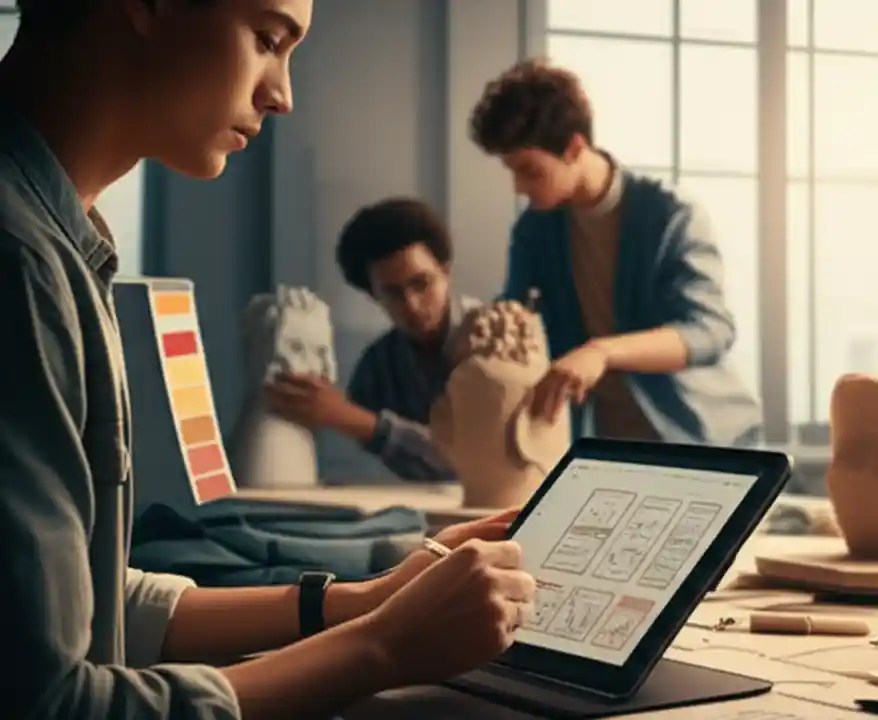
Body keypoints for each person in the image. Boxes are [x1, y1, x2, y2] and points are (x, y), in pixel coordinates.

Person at [0, 1, 534, 718]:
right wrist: (381, 648)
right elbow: (50, 704)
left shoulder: (59, 244)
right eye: (267, 39)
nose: (282, 93)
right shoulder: (21, 262)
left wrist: (364, 602)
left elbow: (81, 605)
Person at [469, 58, 763, 447]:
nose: (518, 187)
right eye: (511, 171)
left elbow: (711, 331)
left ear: (575, 148)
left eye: (531, 171)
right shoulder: (535, 228)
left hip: (701, 438)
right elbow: (517, 314)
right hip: (606, 444)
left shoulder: (670, 214)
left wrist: (602, 353)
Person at [266, 196, 481, 481]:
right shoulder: (376, 369)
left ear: (446, 271)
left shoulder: (498, 339)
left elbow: (478, 461)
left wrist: (353, 420)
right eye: (392, 292)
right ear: (372, 295)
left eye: (421, 283)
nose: (412, 305)